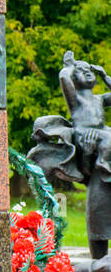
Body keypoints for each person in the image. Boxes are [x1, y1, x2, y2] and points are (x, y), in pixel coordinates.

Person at [29, 51, 111, 260]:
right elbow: (64, 78)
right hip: (89, 142)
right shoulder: (77, 101)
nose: (88, 74)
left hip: (101, 137)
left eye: (88, 71)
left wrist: (104, 76)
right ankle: (102, 163)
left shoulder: (99, 99)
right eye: (82, 72)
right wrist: (71, 65)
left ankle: (103, 161)